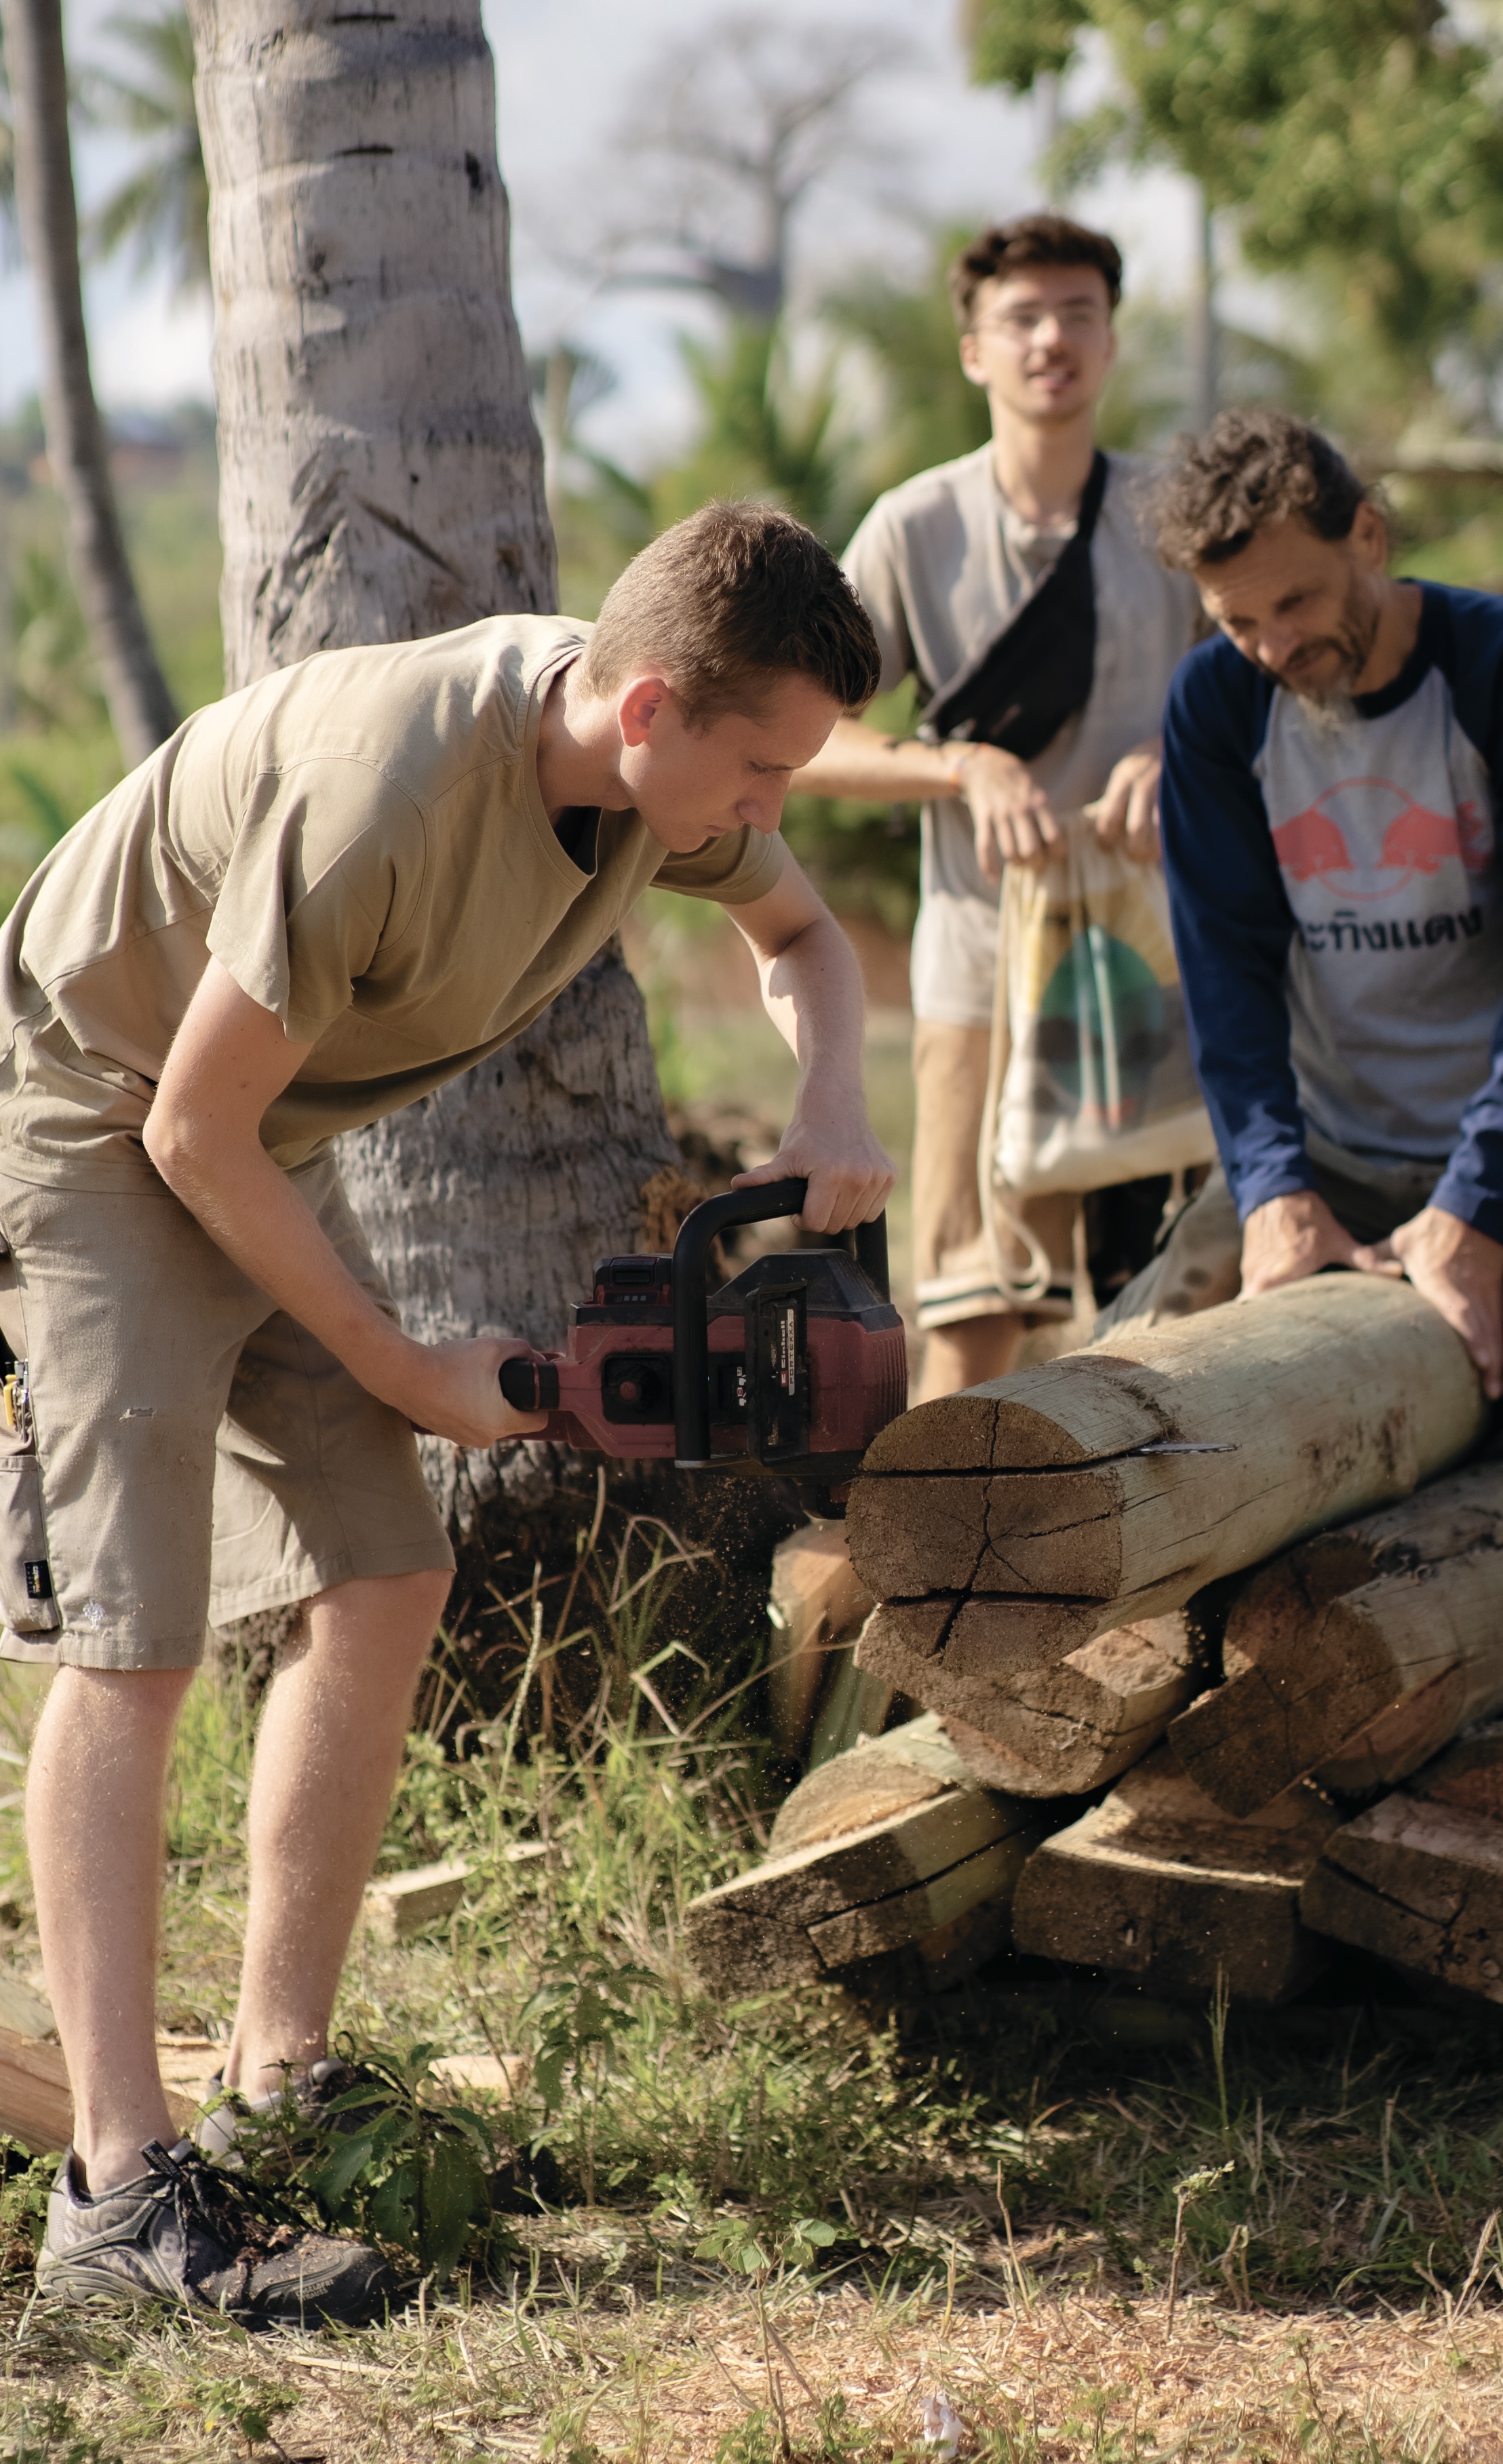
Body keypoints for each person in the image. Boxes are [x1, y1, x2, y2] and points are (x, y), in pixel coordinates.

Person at [0, 499, 893, 2321]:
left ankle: (280, 2084)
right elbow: (181, 1129)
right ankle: (114, 2195)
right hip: (98, 1111)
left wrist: (836, 1111)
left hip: (252, 1138)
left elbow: (808, 951)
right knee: (134, 1636)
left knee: (384, 1569)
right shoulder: (393, 790)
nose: (769, 814)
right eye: (759, 770)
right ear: (645, 711)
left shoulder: (660, 774)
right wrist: (403, 1368)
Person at [792, 212, 1199, 1397]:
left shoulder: (1173, 519)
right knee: (973, 1314)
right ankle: (941, 1572)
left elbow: (1259, 693)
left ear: (1112, 340)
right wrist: (962, 766)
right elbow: (804, 734)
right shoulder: (916, 527)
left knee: (1169, 1308)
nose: (1052, 339)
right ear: (974, 350)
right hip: (976, 971)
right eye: (1022, 317)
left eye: (1079, 313)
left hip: (1156, 970)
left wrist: (1179, 759)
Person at [1114, 406, 1503, 1395]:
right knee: (1132, 1374)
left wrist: (1477, 1204)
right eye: (1237, 622)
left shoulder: (1490, 669)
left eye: (1298, 602)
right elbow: (1226, 975)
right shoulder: (1215, 704)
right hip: (1333, 1149)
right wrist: (1273, 1190)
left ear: (1367, 536)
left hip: (1488, 1140)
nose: (1275, 646)